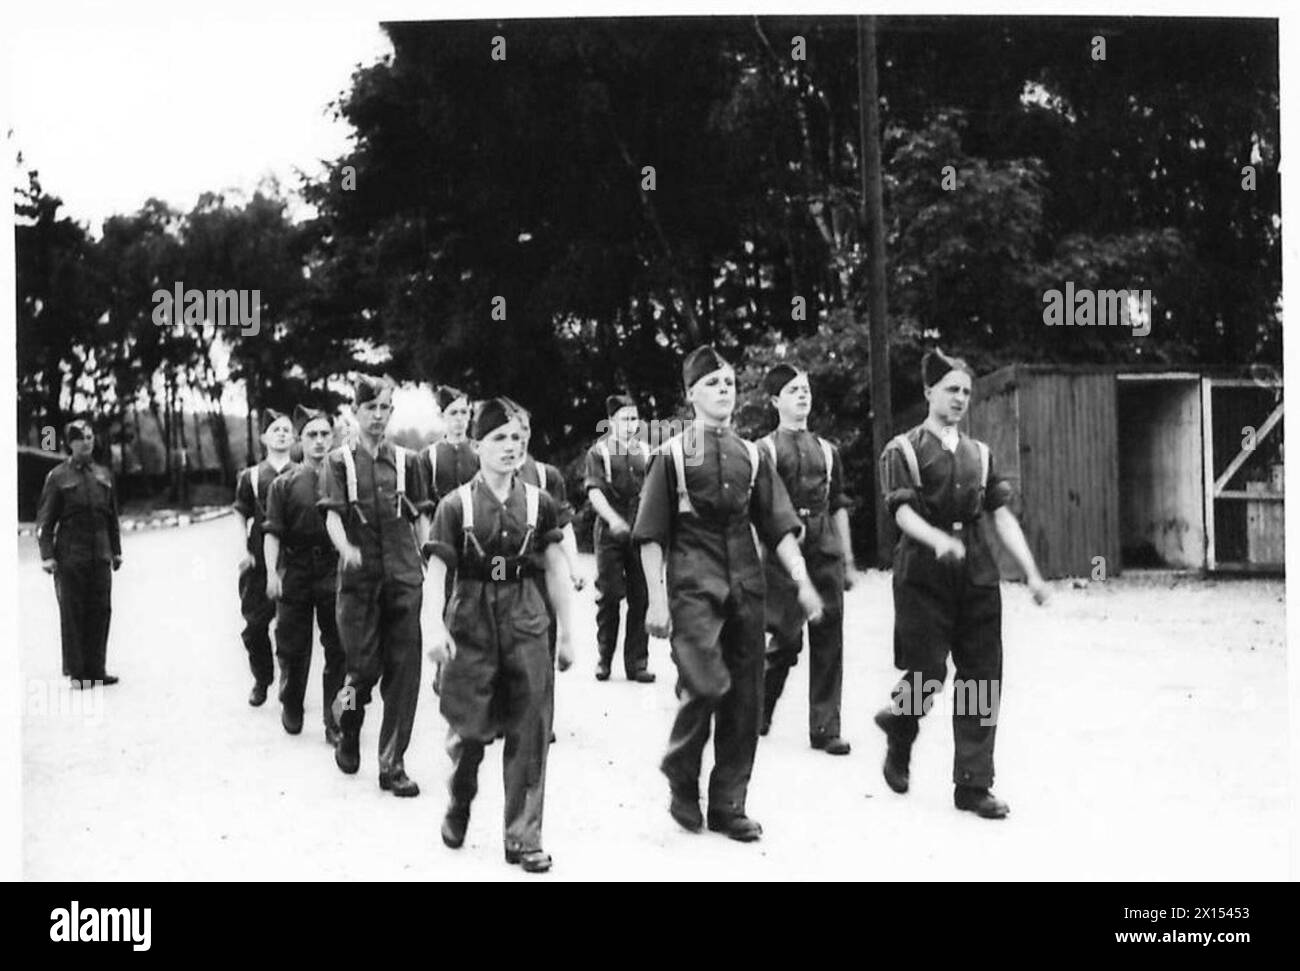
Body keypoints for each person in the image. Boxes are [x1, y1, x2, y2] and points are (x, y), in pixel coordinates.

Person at [634, 346, 823, 842]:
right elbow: (651, 534)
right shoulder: (672, 454)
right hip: (693, 584)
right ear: (691, 394)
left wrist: (802, 580)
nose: (724, 390)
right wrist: (656, 599)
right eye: (713, 383)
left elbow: (780, 526)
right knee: (706, 682)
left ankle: (727, 804)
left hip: (746, 584)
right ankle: (680, 772)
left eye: (730, 383)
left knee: (744, 696)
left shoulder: (753, 456)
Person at [875, 348, 1049, 820]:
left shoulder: (980, 455)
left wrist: (1030, 572)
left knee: (981, 677)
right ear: (929, 391)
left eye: (967, 392)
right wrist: (936, 539)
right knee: (927, 673)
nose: (960, 399)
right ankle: (901, 728)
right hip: (923, 574)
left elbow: (1000, 515)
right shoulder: (903, 449)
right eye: (951, 389)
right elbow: (902, 512)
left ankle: (973, 784)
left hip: (976, 575)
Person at [424, 397, 575, 873]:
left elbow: (554, 567)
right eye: (499, 439)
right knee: (469, 732)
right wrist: (434, 627)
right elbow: (436, 573)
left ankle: (522, 837)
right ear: (477, 445)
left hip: (527, 615)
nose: (510, 447)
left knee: (531, 728)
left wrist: (567, 634)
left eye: (517, 438)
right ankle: (461, 796)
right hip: (471, 616)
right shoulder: (456, 505)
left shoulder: (539, 502)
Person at [319, 375, 431, 797]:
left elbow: (420, 514)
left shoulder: (408, 460)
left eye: (386, 409)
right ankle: (347, 723)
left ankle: (392, 763)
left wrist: (429, 554)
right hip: (359, 582)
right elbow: (331, 514)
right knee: (360, 672)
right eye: (371, 409)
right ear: (356, 412)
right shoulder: (338, 462)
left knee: (404, 672)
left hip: (403, 576)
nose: (379, 416)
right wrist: (345, 547)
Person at [757, 365, 858, 755]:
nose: (802, 396)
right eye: (793, 391)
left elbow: (838, 506)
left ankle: (825, 726)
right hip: (782, 549)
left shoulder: (828, 451)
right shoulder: (764, 450)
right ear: (775, 401)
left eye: (806, 390)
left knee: (829, 634)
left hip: (824, 548)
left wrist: (847, 559)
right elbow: (759, 509)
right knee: (786, 637)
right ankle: (761, 707)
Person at [263, 405, 345, 742]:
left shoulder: (344, 479)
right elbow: (272, 532)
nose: (320, 440)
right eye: (312, 434)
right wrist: (271, 572)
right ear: (301, 439)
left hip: (332, 570)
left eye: (326, 434)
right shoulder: (284, 484)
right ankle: (291, 701)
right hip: (296, 570)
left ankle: (337, 718)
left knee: (341, 649)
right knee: (293, 648)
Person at [36, 419, 123, 688]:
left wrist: (116, 551)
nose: (88, 441)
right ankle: (78, 673)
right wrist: (47, 555)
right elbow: (45, 522)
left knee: (101, 610)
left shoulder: (103, 475)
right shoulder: (58, 477)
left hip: (100, 555)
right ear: (70, 443)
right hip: (71, 555)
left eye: (90, 436)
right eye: (81, 438)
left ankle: (97, 668)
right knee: (73, 613)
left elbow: (112, 517)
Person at [584, 394, 653, 683]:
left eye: (633, 418)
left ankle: (637, 663)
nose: (629, 424)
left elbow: (653, 490)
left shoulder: (647, 452)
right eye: (624, 418)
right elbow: (594, 492)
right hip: (610, 531)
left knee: (641, 597)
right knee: (610, 594)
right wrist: (613, 520)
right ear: (611, 422)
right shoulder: (599, 452)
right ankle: (604, 657)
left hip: (640, 530)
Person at [234, 409, 294, 706]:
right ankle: (262, 678)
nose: (282, 434)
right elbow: (240, 514)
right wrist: (242, 550)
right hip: (259, 561)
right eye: (275, 430)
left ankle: (290, 686)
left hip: (294, 560)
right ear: (264, 438)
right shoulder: (252, 476)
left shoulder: (303, 472)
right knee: (255, 626)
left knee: (291, 630)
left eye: (286, 429)